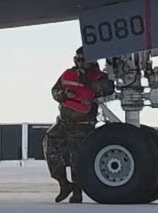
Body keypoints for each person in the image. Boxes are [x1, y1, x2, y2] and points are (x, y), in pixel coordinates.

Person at [45, 47, 114, 203]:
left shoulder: (99, 77)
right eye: (77, 58)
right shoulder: (69, 73)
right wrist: (63, 95)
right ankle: (63, 183)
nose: (79, 62)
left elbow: (105, 89)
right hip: (64, 122)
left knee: (77, 157)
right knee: (51, 147)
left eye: (83, 59)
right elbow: (55, 90)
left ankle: (77, 190)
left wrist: (86, 80)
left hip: (83, 125)